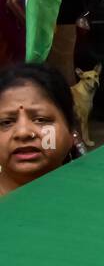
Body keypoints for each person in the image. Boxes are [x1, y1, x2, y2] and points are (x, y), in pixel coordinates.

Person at [0, 62, 82, 198]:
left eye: (41, 119)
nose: (23, 133)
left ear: (71, 132)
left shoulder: (97, 197)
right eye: (6, 122)